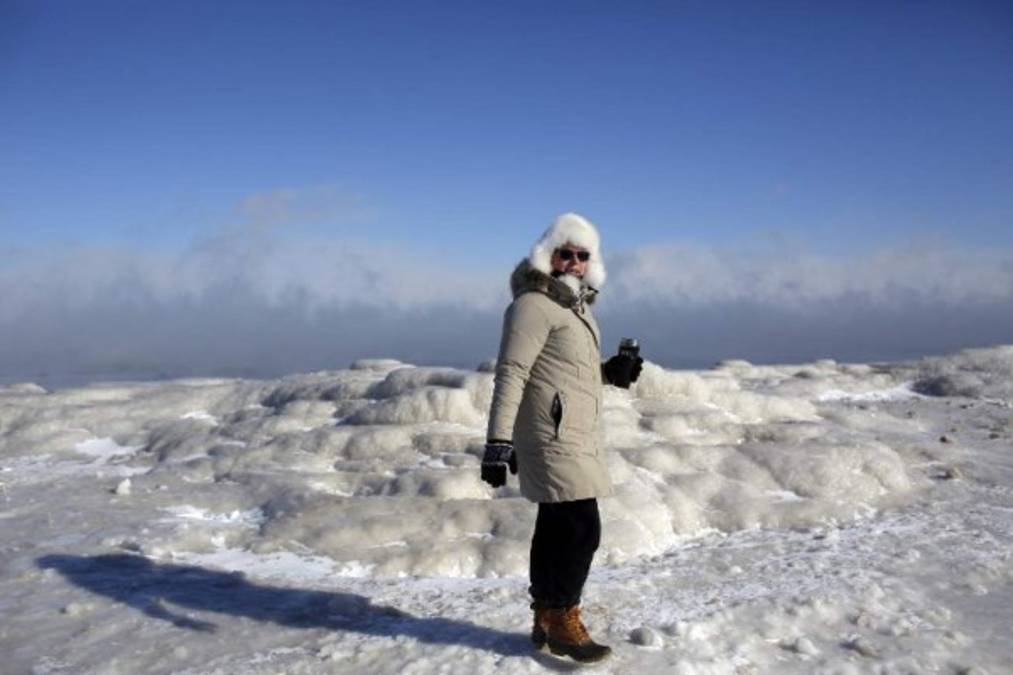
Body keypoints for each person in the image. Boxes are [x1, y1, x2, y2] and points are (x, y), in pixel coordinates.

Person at [481, 213, 643, 663]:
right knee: (581, 528)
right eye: (565, 253)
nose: (573, 262)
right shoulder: (533, 304)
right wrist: (497, 441)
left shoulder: (577, 307)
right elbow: (512, 371)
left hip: (575, 431)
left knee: (556, 526)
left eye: (582, 255)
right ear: (547, 254)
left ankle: (545, 614)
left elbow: (567, 371)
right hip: (549, 434)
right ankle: (563, 618)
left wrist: (611, 372)